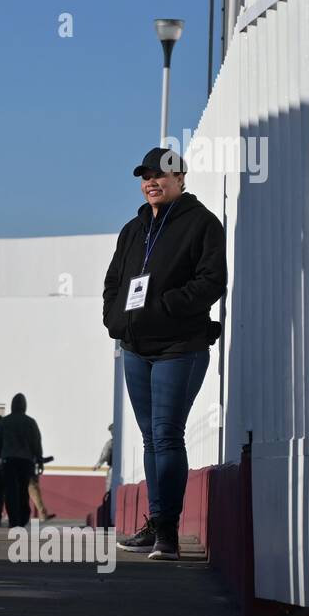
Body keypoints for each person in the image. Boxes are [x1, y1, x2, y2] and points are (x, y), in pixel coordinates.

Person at [103, 147, 226, 561]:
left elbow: (212, 282)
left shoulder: (202, 224)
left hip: (180, 347)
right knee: (151, 439)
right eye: (146, 176)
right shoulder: (132, 230)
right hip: (136, 349)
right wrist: (114, 320)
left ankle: (168, 536)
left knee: (167, 434)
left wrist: (166, 307)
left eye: (161, 176)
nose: (152, 182)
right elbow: (114, 283)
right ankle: (156, 524)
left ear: (180, 179)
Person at [0, 393, 43, 527]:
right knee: (23, 490)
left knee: (10, 491)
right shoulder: (30, 422)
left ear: (12, 406)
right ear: (24, 406)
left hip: (8, 461)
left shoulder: (4, 422)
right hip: (26, 461)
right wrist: (39, 459)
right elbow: (37, 442)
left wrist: (2, 455)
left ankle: (13, 520)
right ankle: (23, 518)